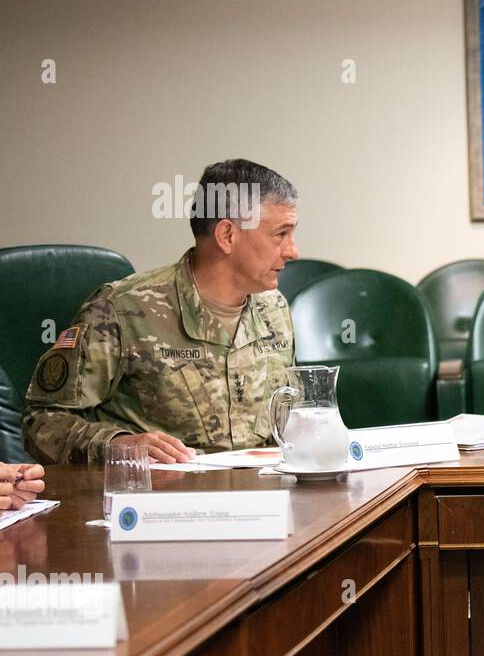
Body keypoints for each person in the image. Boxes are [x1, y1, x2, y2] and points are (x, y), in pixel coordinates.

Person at [22, 159, 300, 464]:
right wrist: (116, 445)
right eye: (280, 234)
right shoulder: (122, 310)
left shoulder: (274, 307)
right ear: (227, 236)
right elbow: (41, 422)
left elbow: (291, 419)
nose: (292, 251)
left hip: (260, 495)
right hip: (160, 500)